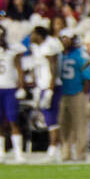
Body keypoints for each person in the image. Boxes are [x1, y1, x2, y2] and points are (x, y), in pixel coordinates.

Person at [29, 26, 63, 163]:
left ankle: (53, 150)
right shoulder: (38, 47)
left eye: (33, 34)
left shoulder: (48, 47)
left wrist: (50, 89)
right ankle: (57, 149)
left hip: (50, 86)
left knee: (51, 119)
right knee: (48, 119)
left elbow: (53, 68)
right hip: (43, 86)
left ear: (39, 35)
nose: (31, 36)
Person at [56, 32, 90, 162]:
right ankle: (65, 152)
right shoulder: (58, 54)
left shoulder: (81, 54)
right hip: (61, 93)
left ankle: (80, 152)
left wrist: (84, 94)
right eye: (63, 38)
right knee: (63, 124)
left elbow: (88, 75)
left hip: (77, 92)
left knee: (80, 124)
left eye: (67, 38)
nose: (64, 41)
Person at [0, 25, 23, 162]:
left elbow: (19, 70)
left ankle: (18, 152)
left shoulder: (12, 51)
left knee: (13, 120)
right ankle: (1, 152)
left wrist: (21, 87)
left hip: (10, 88)